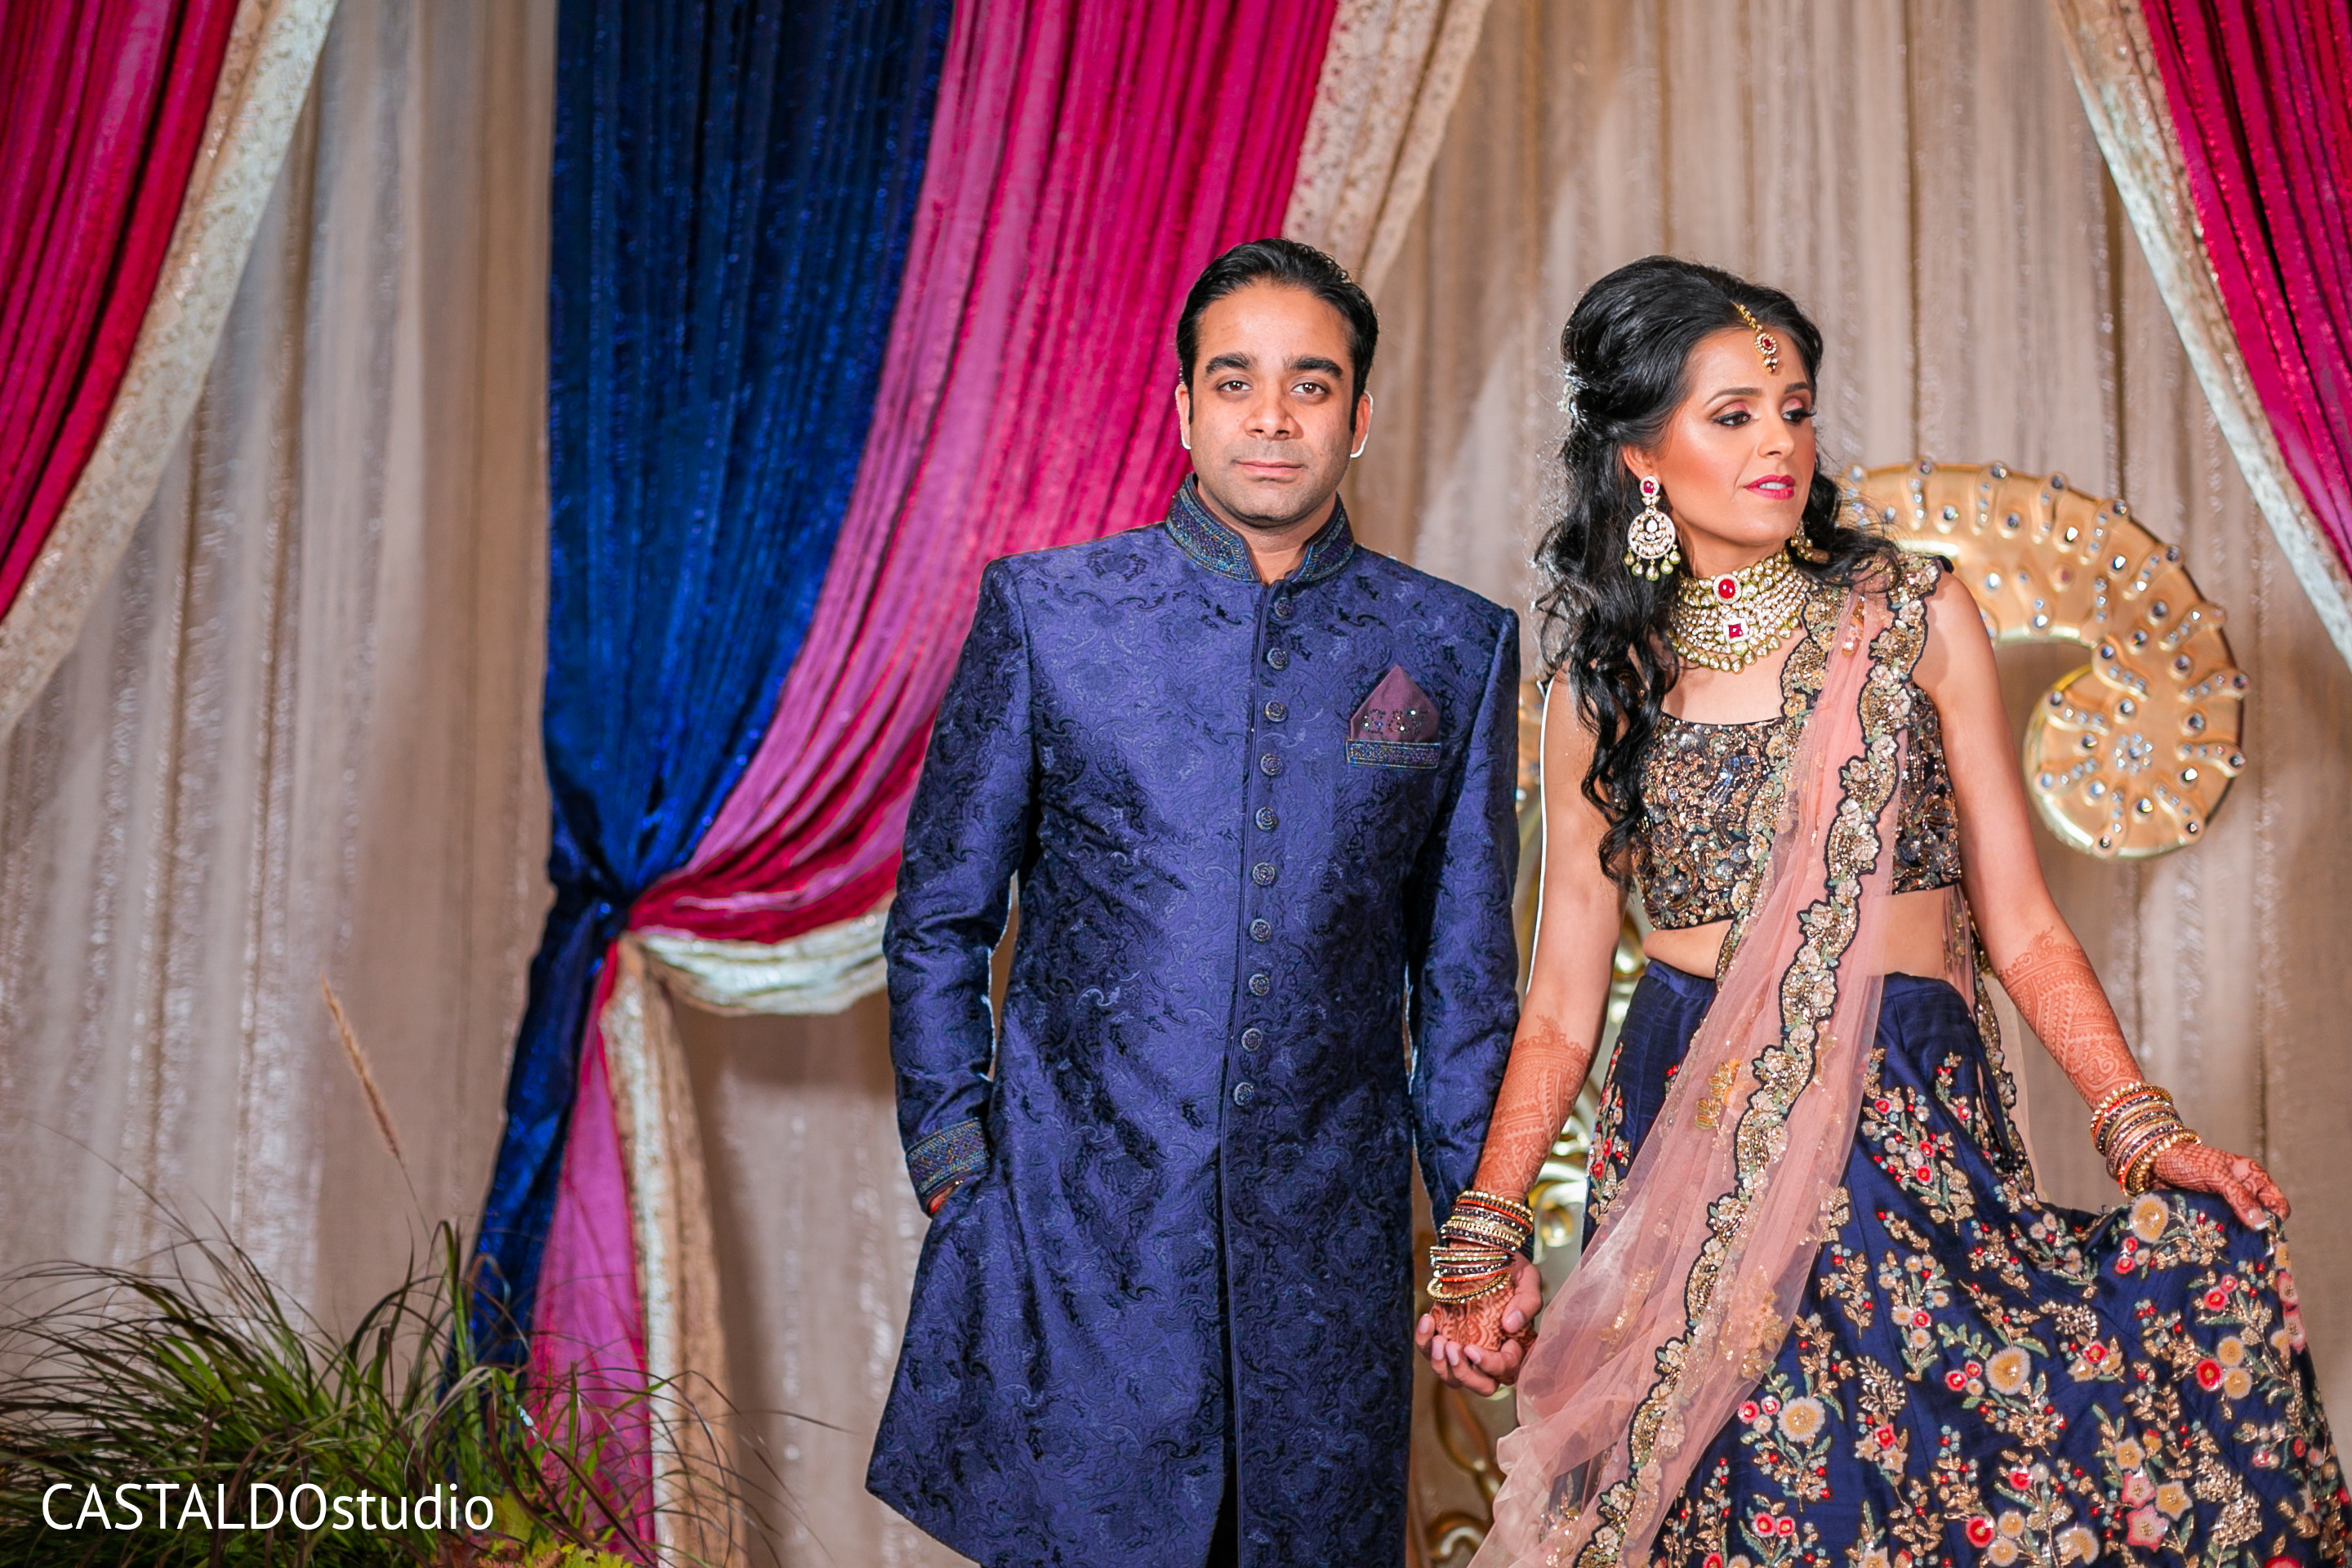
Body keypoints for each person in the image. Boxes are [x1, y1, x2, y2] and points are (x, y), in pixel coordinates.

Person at [1418, 256, 2349, 1568]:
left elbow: (2021, 924)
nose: (1779, 442)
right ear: (1641, 456)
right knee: (1742, 1511)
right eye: (1733, 414)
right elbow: (1563, 1004)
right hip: (1693, 1169)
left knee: (1948, 1490)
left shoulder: (1913, 617)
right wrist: (1486, 1226)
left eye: (1794, 408)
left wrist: (2142, 1129)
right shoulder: (1604, 687)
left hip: (1907, 1133)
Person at [866, 238, 1530, 1568]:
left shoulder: (1452, 645)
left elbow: (1464, 986)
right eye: (1236, 382)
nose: (1272, 417)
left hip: (1329, 1267)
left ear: (1358, 416)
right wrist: (956, 1169)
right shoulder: (1052, 615)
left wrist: (1478, 1229)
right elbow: (940, 914)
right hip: (1077, 1248)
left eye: (1310, 384)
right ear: (1182, 409)